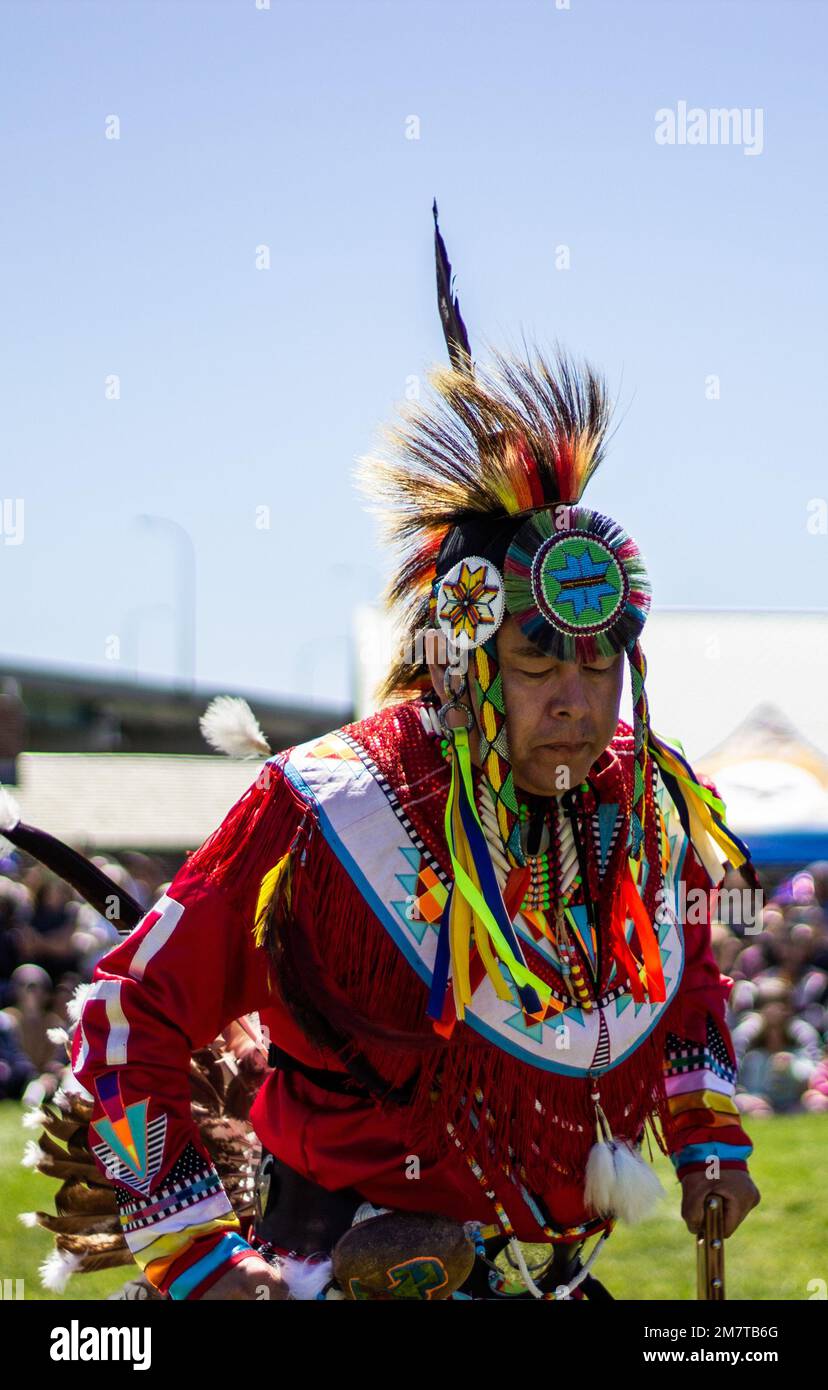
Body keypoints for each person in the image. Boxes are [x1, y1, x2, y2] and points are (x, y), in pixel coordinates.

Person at [68, 211, 761, 1301]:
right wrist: (196, 1252)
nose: (580, 701)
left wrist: (707, 1132)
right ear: (465, 661)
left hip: (550, 1276)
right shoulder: (326, 811)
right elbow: (125, 1016)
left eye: (604, 659)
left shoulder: (655, 803)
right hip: (340, 1271)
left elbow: (684, 982)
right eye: (539, 662)